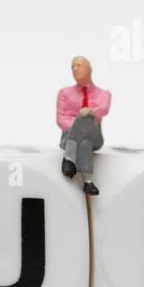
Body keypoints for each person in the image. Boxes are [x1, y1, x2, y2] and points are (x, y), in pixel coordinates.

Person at [55, 55, 110, 195]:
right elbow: (61, 119)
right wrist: (77, 127)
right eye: (72, 66)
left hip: (95, 136)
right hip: (67, 137)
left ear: (89, 69)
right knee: (85, 143)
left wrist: (90, 111)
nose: (75, 69)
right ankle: (88, 181)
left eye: (78, 65)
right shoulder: (64, 93)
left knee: (86, 116)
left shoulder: (103, 94)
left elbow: (103, 110)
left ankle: (69, 158)